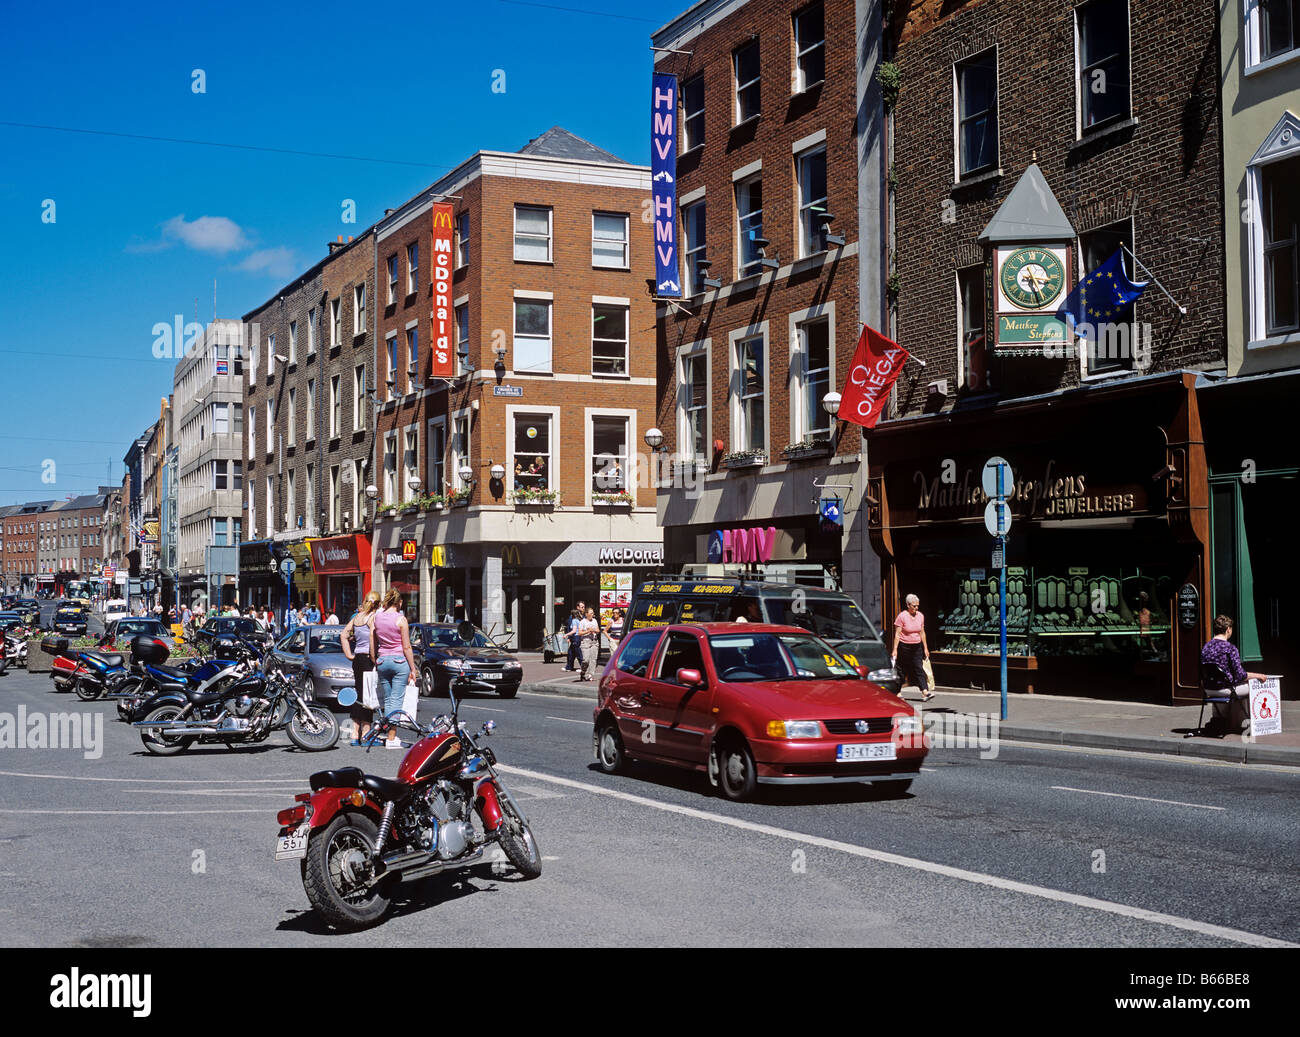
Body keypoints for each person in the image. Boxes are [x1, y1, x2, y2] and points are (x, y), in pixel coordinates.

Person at [1201, 615, 1269, 734]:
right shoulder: (1230, 648)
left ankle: (1220, 719)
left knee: (1231, 684)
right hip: (1225, 690)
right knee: (1251, 686)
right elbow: (1240, 675)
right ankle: (1245, 722)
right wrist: (1259, 675)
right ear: (1228, 630)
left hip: (1208, 689)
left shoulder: (1206, 647)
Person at [368, 589, 419, 748]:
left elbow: (373, 640)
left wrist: (374, 659)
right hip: (398, 662)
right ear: (400, 603)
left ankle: (389, 733)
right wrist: (413, 668)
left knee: (388, 699)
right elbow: (406, 646)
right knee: (397, 700)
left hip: (382, 660)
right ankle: (391, 738)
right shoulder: (401, 620)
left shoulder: (377, 618)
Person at [342, 591, 381, 746]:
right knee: (368, 696)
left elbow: (343, 635)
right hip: (367, 658)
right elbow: (372, 639)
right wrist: (373, 658)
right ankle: (366, 733)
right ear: (378, 604)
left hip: (357, 658)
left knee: (359, 693)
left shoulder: (357, 617)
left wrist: (349, 654)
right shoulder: (373, 618)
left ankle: (354, 733)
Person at [891, 593, 933, 702]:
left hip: (916, 646)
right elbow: (897, 634)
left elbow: (922, 632)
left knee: (919, 667)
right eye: (914, 606)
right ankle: (898, 691)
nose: (916, 608)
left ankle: (925, 691)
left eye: (917, 606)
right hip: (904, 646)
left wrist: (925, 648)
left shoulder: (920, 616)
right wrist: (895, 649)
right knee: (902, 670)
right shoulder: (902, 616)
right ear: (908, 605)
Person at [576, 607, 600, 682]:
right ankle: (583, 672)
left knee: (593, 659)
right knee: (586, 660)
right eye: (591, 613)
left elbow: (598, 630)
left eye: (593, 613)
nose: (592, 614)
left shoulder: (595, 621)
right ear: (586, 614)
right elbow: (579, 633)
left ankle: (590, 674)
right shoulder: (582, 622)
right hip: (585, 641)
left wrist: (594, 630)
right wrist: (588, 631)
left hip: (594, 641)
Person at [564, 603, 584, 671]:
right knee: (571, 652)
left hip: (576, 638)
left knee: (578, 653)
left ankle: (583, 666)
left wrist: (566, 635)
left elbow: (574, 630)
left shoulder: (574, 620)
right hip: (576, 638)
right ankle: (569, 667)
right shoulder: (579, 620)